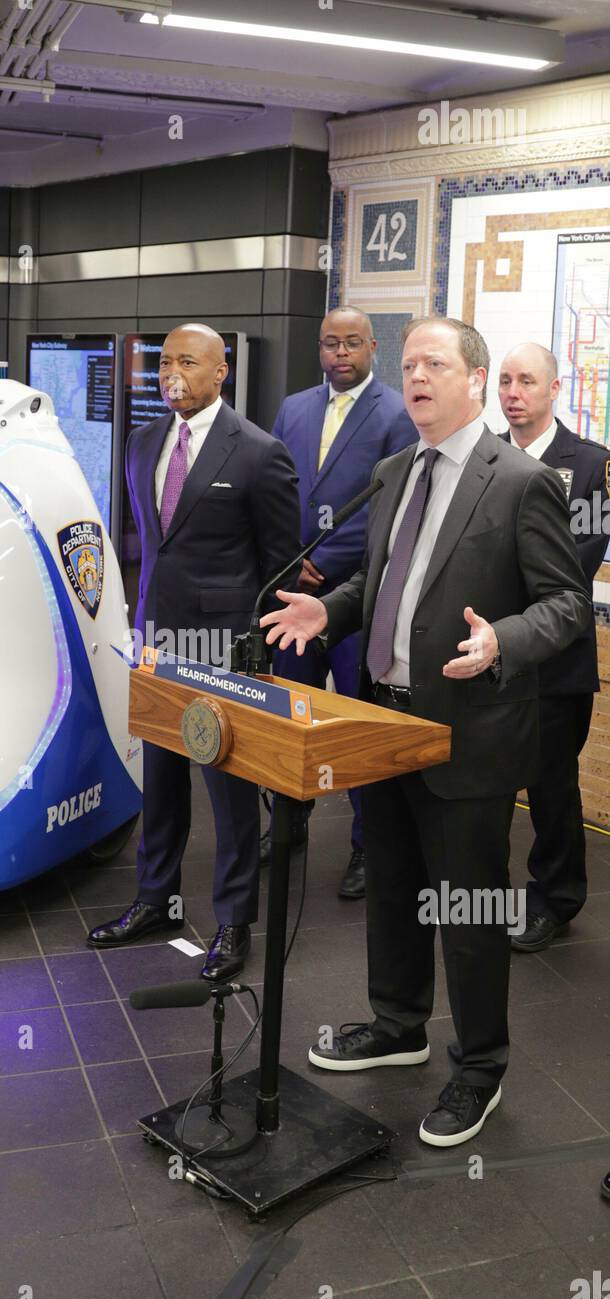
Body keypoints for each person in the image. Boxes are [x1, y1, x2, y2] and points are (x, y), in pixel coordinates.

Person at [261, 316, 591, 1146]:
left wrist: (501, 641)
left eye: (434, 363)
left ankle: (478, 1068)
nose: (416, 377)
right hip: (384, 722)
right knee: (397, 892)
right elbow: (384, 581)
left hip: (469, 737)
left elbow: (565, 604)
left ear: (475, 379)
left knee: (468, 911)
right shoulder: (395, 470)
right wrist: (329, 609)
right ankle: (398, 1026)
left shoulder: (518, 480)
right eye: (408, 365)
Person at [87, 323, 300, 983]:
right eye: (164, 362)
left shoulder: (261, 454)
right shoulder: (141, 441)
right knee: (164, 776)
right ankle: (155, 900)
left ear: (221, 370)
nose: (172, 372)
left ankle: (235, 923)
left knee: (229, 790)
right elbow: (154, 547)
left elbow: (279, 572)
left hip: (223, 648)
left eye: (188, 361)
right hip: (157, 641)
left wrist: (256, 655)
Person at [266, 306, 418, 898]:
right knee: (290, 710)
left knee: (354, 720)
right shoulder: (294, 408)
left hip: (356, 597)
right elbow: (276, 488)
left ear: (372, 347)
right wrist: (288, 554)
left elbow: (393, 503)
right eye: (331, 344)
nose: (341, 354)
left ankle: (366, 844)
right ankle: (288, 818)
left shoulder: (397, 414)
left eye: (352, 343)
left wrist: (326, 562)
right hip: (290, 591)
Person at [498, 343, 609, 951]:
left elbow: (576, 562)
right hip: (486, 652)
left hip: (554, 659)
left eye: (528, 382)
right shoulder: (482, 455)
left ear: (554, 388)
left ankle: (556, 899)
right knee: (488, 782)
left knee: (551, 789)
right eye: (507, 382)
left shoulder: (592, 465)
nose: (515, 393)